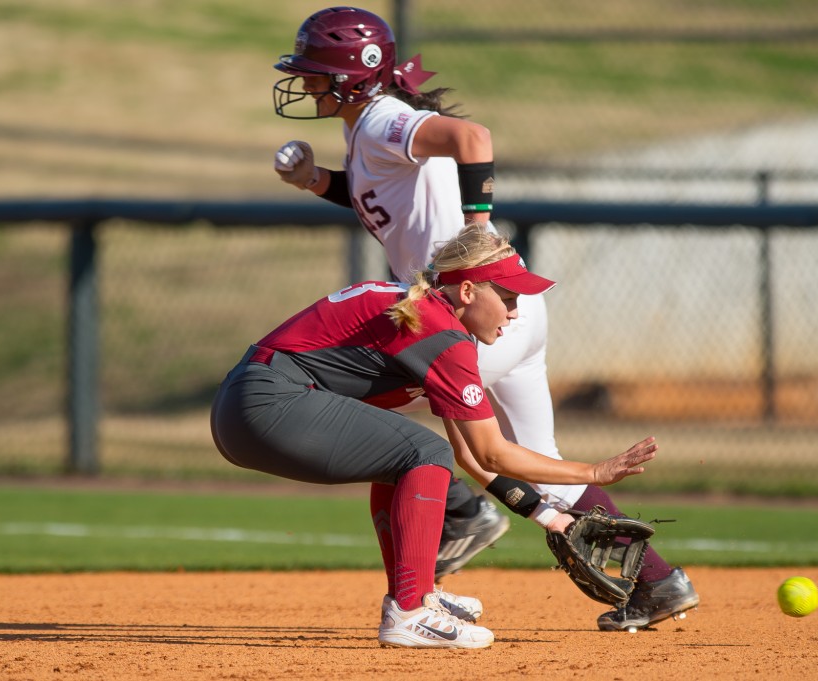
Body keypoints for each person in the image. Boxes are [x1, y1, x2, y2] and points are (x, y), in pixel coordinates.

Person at [270, 6, 699, 631]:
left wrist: (477, 227)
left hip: (468, 315)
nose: (306, 82)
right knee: (534, 458)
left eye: (316, 72)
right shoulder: (370, 127)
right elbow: (380, 194)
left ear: (352, 77)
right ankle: (659, 583)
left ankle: (463, 517)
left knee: (388, 427)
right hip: (508, 311)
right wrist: (314, 180)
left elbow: (473, 140)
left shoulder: (387, 117)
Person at [210, 224, 660, 648]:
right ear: (467, 290)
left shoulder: (429, 315)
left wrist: (549, 516)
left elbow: (470, 455)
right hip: (269, 401)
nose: (515, 311)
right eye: (507, 296)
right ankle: (409, 612)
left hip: (249, 402)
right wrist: (593, 471)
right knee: (422, 451)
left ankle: (415, 596)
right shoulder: (439, 332)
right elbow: (493, 451)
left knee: (404, 460)